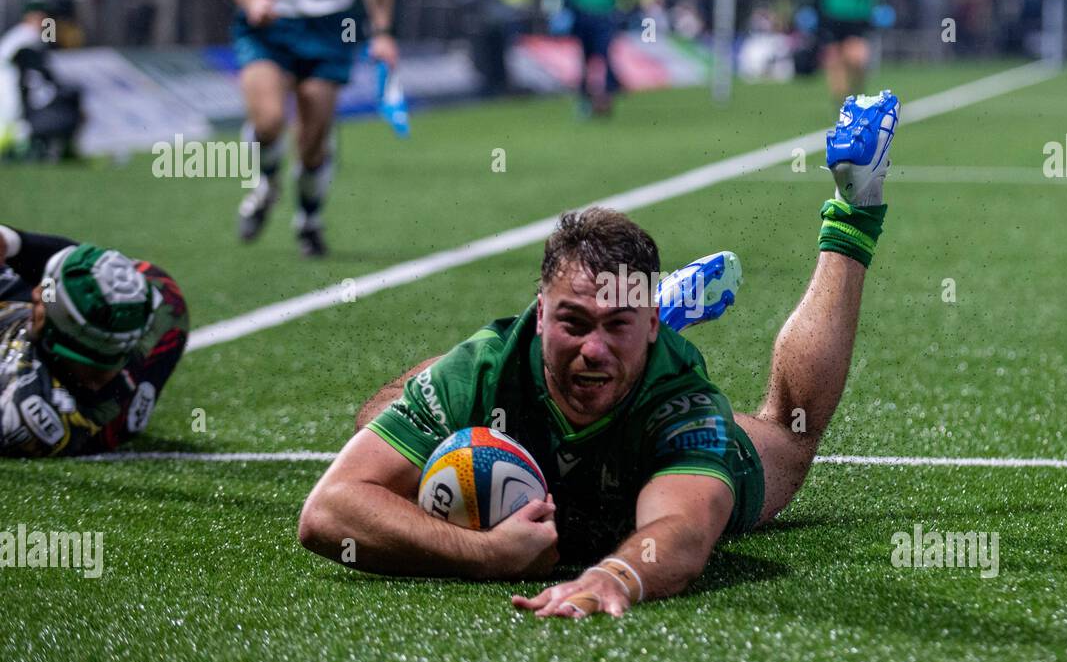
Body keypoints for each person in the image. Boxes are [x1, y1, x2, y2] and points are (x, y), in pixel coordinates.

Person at [298, 90, 900, 618]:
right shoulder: (488, 364)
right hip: (527, 382)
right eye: (573, 322)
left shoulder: (683, 403)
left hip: (647, 413)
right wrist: (486, 553)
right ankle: (635, 311)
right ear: (538, 317)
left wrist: (616, 575)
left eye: (615, 325)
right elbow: (328, 512)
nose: (591, 351)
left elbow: (684, 532)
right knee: (377, 420)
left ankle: (856, 210)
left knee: (790, 435)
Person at [201, 0, 398, 257]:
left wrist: (381, 30)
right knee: (269, 120)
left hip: (329, 26)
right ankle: (266, 184)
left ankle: (308, 218)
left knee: (312, 143)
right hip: (269, 24)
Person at [0, 226, 188, 458]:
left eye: (46, 295)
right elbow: (103, 272)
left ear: (63, 336)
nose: (38, 292)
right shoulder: (162, 310)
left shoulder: (25, 409)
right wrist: (12, 242)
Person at [0, 0, 83, 161]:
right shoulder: (26, 35)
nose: (44, 21)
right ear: (29, 16)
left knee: (15, 125)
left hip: (14, 85)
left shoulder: (26, 35)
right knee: (16, 124)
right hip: (8, 85)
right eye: (40, 16)